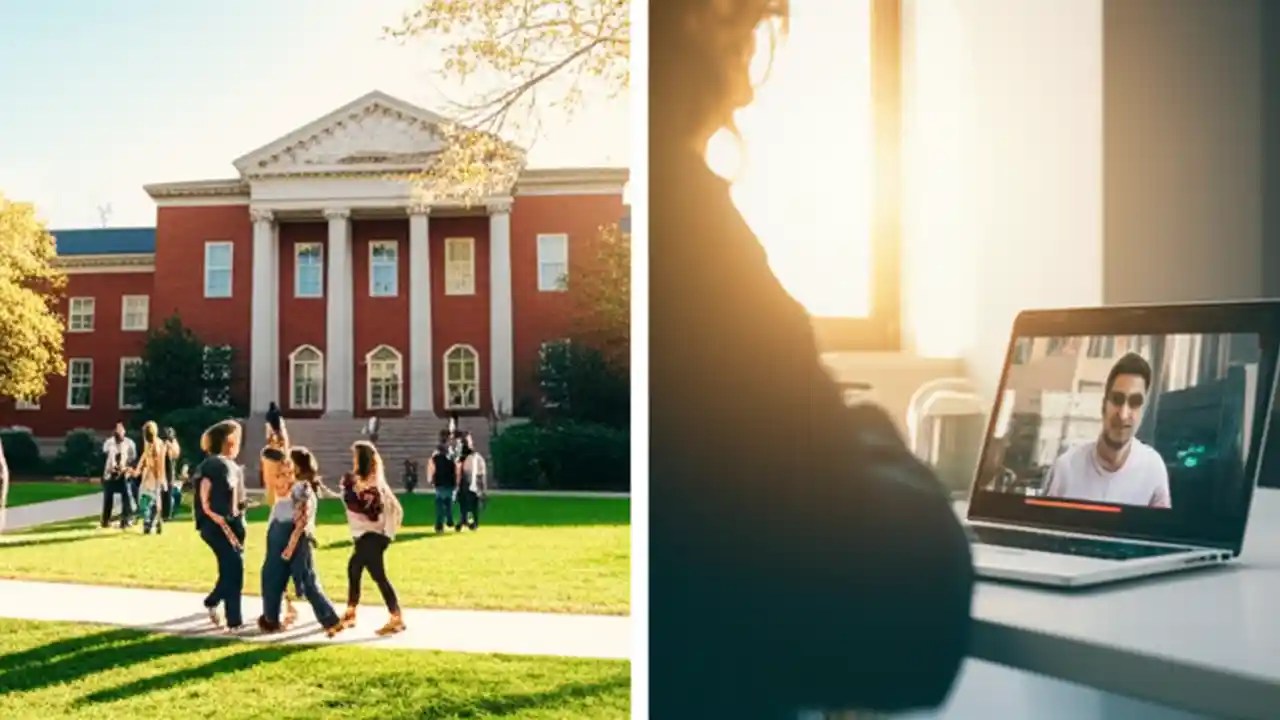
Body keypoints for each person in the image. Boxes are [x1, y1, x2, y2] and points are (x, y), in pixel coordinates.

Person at [650, 2, 975, 716]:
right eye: (745, 35)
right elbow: (911, 614)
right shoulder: (697, 251)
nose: (743, 89)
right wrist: (871, 429)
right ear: (699, 24)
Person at [1044, 352, 1172, 507]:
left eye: (1135, 403)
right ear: (1103, 405)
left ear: (1143, 412)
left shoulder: (1153, 470)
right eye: (1117, 400)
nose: (1124, 415)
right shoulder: (1065, 469)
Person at [259, 447, 345, 637]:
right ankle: (270, 619)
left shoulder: (301, 489)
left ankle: (330, 620)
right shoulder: (286, 488)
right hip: (279, 535)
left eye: (289, 470)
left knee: (305, 581)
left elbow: (301, 521)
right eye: (281, 473)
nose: (284, 476)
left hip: (295, 538)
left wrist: (290, 546)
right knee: (273, 577)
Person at [339, 440, 406, 636]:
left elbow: (369, 510)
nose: (353, 460)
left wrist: (351, 492)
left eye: (356, 456)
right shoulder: (364, 482)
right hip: (366, 535)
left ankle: (395, 617)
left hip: (373, 535)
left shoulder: (372, 485)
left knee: (368, 572)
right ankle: (353, 611)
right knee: (359, 570)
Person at [194, 419, 247, 632]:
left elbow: (233, 500)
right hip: (218, 527)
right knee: (234, 569)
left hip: (230, 525)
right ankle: (226, 614)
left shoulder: (229, 465)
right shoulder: (216, 465)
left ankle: (222, 609)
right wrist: (225, 525)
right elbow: (207, 501)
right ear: (227, 441)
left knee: (231, 570)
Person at [133, 421, 169, 535]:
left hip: (155, 475)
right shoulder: (148, 443)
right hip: (149, 474)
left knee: (150, 499)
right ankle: (153, 522)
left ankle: (152, 522)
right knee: (148, 498)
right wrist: (138, 469)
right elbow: (144, 455)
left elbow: (160, 463)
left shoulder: (159, 445)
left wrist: (161, 478)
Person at [100, 422, 136, 529]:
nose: (119, 437)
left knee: (127, 496)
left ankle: (126, 519)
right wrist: (113, 468)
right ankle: (105, 520)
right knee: (108, 497)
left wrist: (126, 469)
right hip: (110, 474)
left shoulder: (129, 443)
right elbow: (107, 457)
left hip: (124, 473)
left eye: (121, 433)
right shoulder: (109, 443)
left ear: (124, 433)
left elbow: (132, 458)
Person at [427, 429, 458, 532]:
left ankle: (442, 523)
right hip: (446, 481)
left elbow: (432, 466)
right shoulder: (449, 453)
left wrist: (431, 478)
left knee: (442, 503)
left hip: (443, 481)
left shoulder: (438, 453)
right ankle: (445, 521)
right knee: (446, 502)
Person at [456, 432, 487, 531]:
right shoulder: (462, 456)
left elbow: (481, 471)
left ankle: (473, 522)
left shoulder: (475, 457)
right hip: (464, 482)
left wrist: (482, 488)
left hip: (473, 482)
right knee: (464, 504)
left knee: (473, 505)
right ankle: (464, 520)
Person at [161, 427, 181, 521]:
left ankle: (167, 515)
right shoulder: (161, 443)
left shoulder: (173, 443)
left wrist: (169, 445)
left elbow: (176, 454)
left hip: (169, 471)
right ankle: (160, 513)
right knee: (161, 492)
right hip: (162, 469)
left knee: (168, 492)